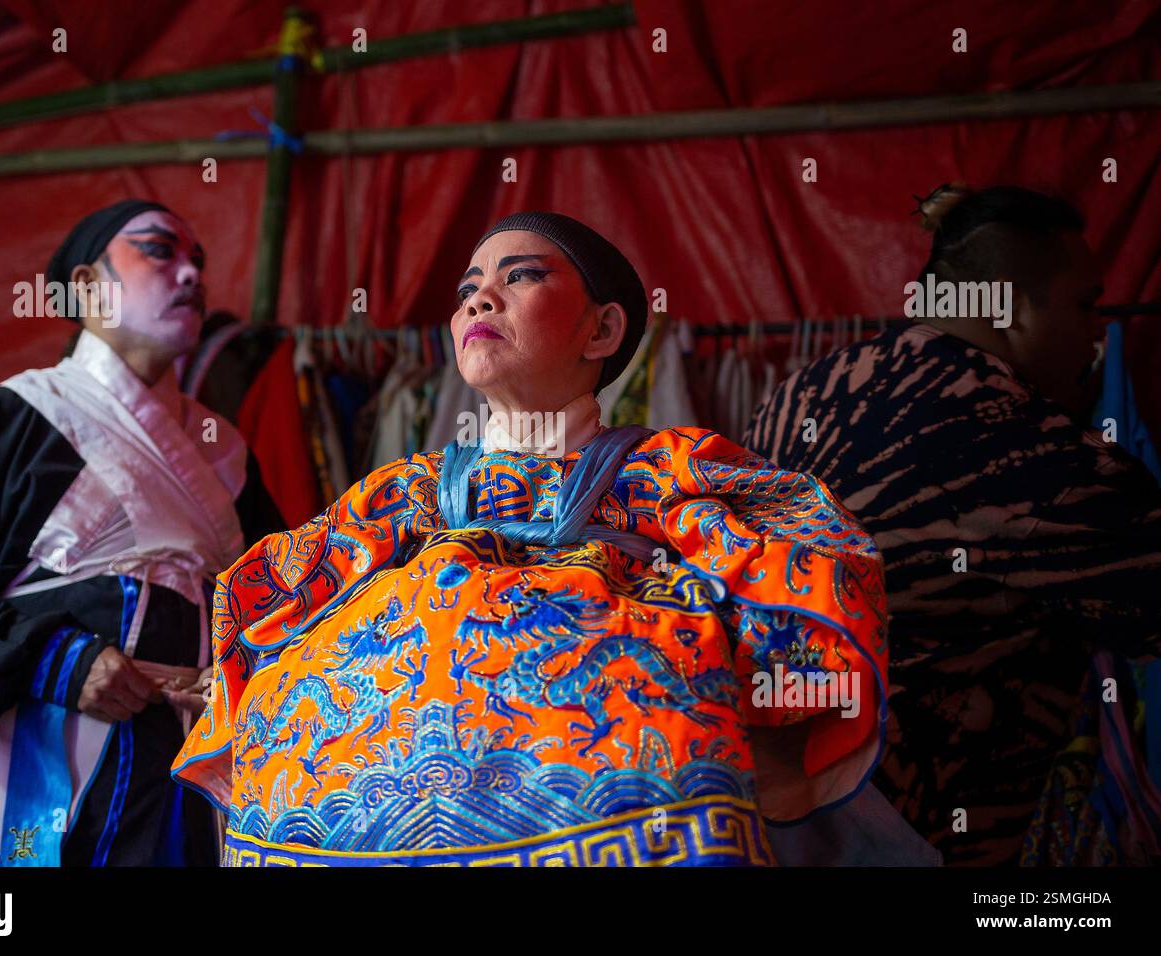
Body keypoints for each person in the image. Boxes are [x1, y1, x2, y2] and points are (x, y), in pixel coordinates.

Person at [172, 211, 895, 867]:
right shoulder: (404, 493)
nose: (479, 301)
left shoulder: (668, 470)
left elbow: (809, 568)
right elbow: (268, 593)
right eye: (467, 291)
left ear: (603, 331)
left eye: (519, 277)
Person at [743, 186, 1161, 865]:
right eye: (1085, 304)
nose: (1097, 333)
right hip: (923, 836)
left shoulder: (799, 394)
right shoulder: (1021, 442)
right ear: (1013, 307)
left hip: (782, 821)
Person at [0, 199, 285, 867]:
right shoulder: (17, 416)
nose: (190, 274)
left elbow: (281, 598)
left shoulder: (225, 454)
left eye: (198, 261)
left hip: (198, 770)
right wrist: (58, 661)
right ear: (88, 286)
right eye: (159, 250)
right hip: (49, 754)